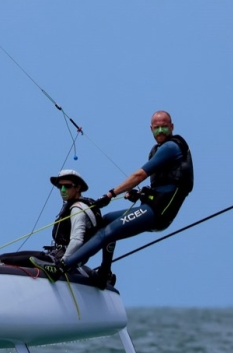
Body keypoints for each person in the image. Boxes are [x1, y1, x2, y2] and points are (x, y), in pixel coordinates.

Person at [32, 110, 194, 287]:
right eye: (156, 128)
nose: (160, 131)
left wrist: (110, 194)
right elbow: (162, 185)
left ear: (172, 127)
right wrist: (139, 194)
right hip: (152, 206)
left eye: (164, 127)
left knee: (108, 232)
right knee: (106, 220)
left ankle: (61, 267)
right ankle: (105, 272)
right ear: (151, 129)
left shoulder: (171, 147)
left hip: (158, 212)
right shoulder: (158, 149)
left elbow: (139, 175)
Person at [0, 169, 99, 268]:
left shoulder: (77, 209)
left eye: (67, 186)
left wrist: (63, 263)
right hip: (54, 254)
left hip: (60, 260)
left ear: (78, 188)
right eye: (60, 186)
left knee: (5, 260)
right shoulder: (71, 206)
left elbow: (77, 240)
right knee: (2, 257)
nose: (63, 190)